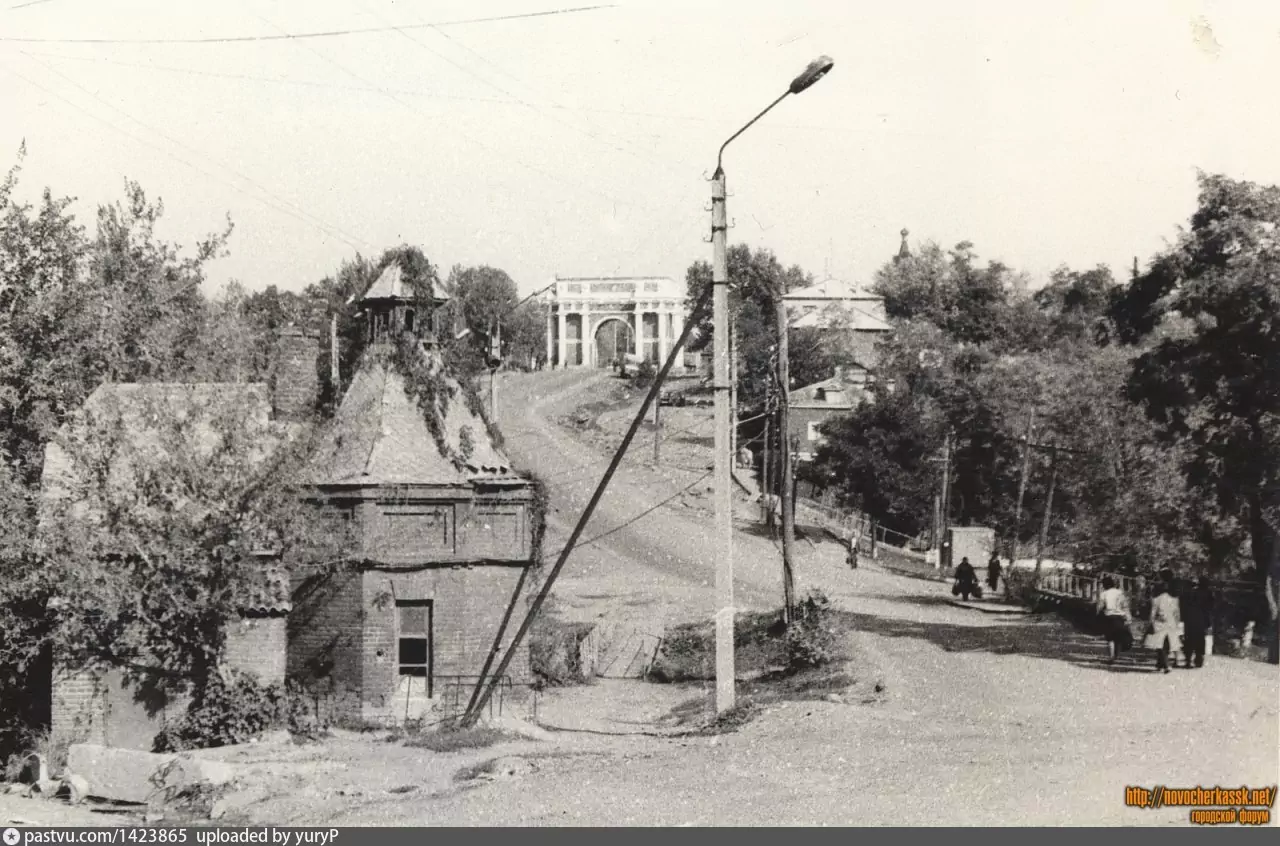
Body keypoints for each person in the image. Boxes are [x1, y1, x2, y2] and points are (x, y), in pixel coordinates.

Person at [1147, 574, 1181, 673]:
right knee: (1166, 645)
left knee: (1159, 645)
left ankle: (1165, 665)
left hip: (1159, 623)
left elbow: (1152, 613)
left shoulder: (1156, 600)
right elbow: (1177, 614)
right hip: (1171, 624)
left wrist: (1150, 623)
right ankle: (1160, 664)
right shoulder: (1175, 599)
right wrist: (1177, 624)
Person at [1180, 576, 1214, 669]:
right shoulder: (1208, 593)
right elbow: (1209, 608)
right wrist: (1208, 622)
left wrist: (1183, 618)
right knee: (1200, 640)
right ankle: (1199, 659)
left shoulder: (1191, 592)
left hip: (1190, 619)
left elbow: (1183, 605)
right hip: (1201, 620)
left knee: (1189, 639)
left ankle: (1188, 660)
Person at [1096, 575, 1132, 662]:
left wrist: (1097, 613)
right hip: (1120, 617)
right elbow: (1125, 606)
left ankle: (1111, 657)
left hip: (1109, 617)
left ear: (1104, 585)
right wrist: (1128, 617)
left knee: (1110, 638)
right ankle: (1116, 655)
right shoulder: (1120, 593)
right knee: (1118, 637)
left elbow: (1100, 606)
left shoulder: (1103, 594)